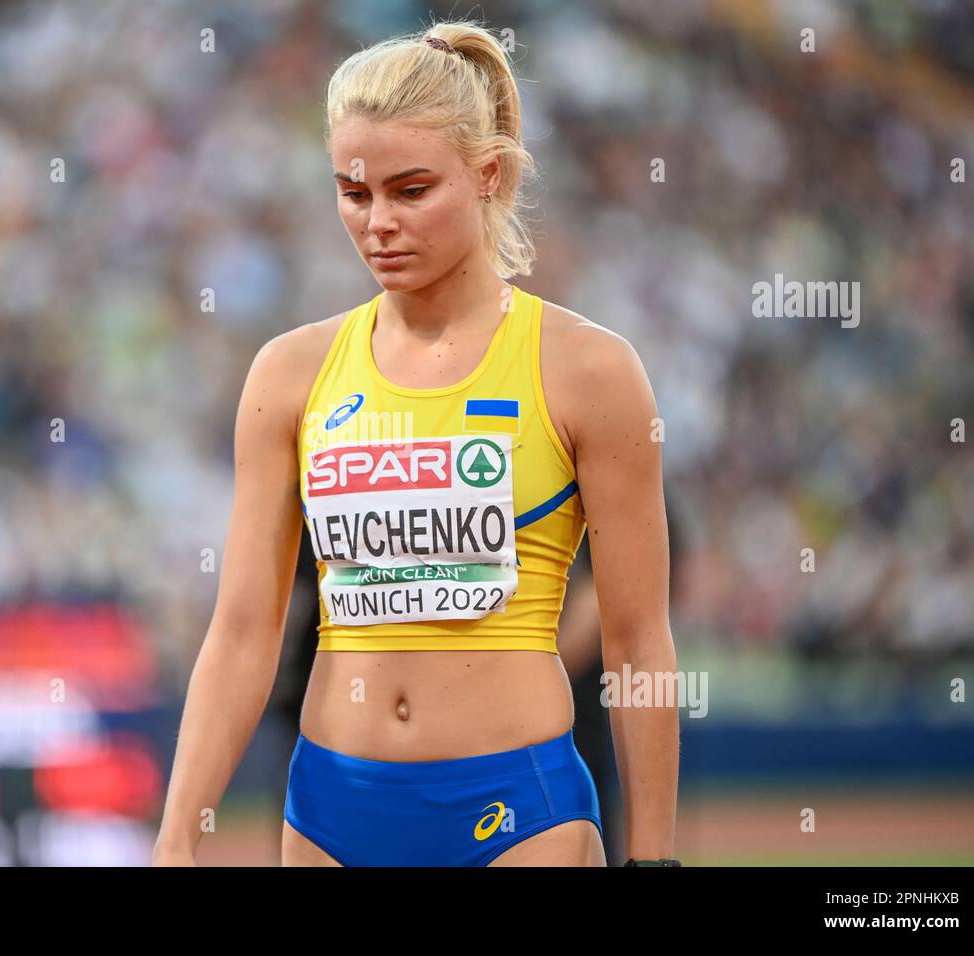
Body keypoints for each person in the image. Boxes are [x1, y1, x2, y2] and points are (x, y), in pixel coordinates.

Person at [153, 20, 678, 867]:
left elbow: (639, 643)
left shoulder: (589, 371)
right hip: (331, 810)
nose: (378, 224)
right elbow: (245, 631)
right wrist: (178, 836)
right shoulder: (289, 375)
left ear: (487, 174)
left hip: (520, 809)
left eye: (411, 189)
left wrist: (654, 859)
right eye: (354, 194)